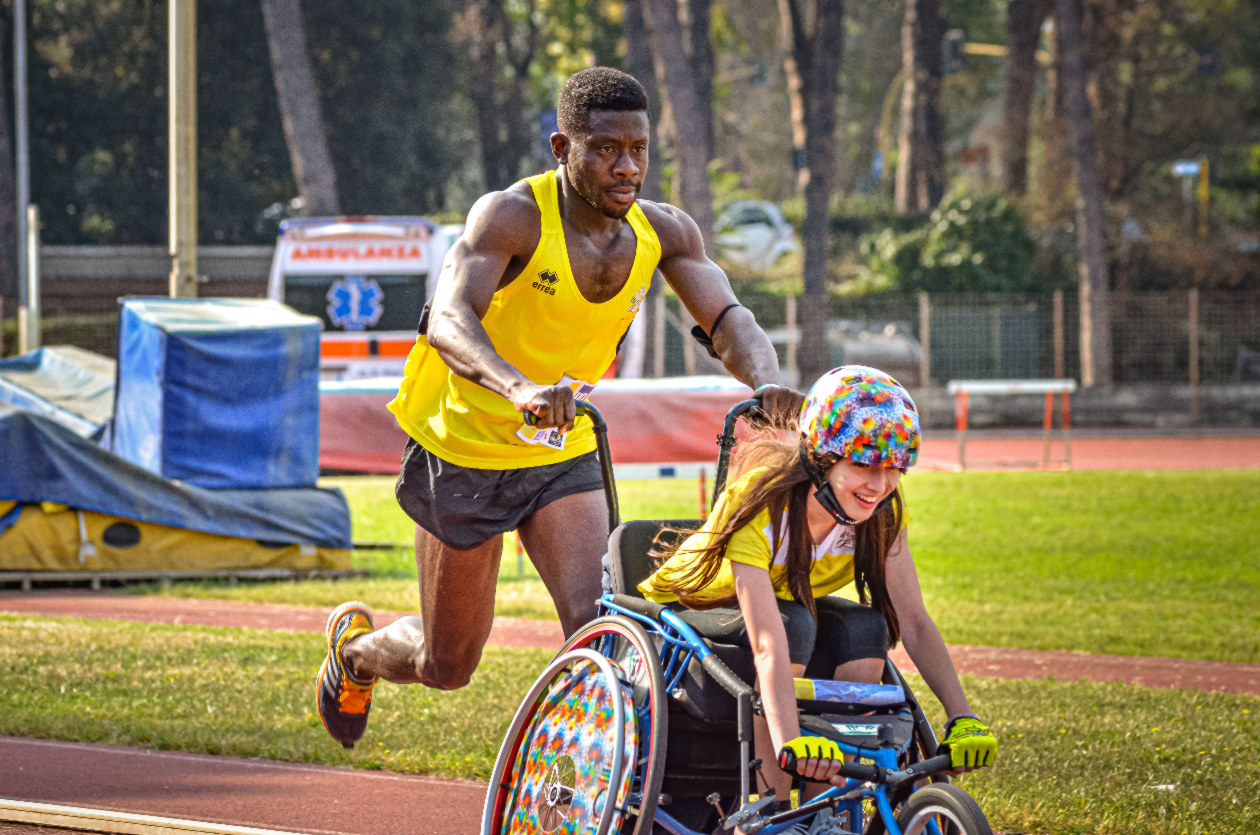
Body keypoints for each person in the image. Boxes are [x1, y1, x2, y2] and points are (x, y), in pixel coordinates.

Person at [316, 66, 802, 748]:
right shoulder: (512, 216)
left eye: (638, 149)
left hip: (561, 448)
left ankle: (598, 776)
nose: (626, 167)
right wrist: (518, 389)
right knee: (447, 664)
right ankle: (355, 654)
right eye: (605, 149)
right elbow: (449, 316)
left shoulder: (664, 232)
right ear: (562, 147)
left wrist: (766, 383)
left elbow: (727, 320)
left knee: (599, 624)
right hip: (466, 446)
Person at [639, 365, 996, 830]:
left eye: (893, 468)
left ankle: (825, 811)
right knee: (793, 625)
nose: (879, 485)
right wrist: (792, 741)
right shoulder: (763, 502)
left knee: (868, 627)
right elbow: (768, 642)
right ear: (821, 459)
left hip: (787, 606)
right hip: (693, 607)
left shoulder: (882, 512)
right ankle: (775, 812)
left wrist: (961, 717)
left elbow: (914, 621)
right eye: (863, 465)